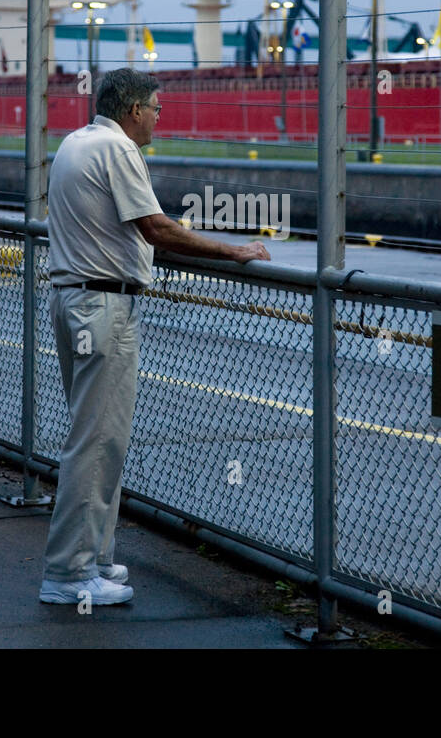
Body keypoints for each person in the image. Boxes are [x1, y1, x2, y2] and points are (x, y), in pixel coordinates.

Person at [38, 68, 271, 606]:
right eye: (156, 108)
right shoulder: (118, 151)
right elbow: (155, 227)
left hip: (76, 300)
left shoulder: (76, 142)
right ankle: (68, 575)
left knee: (96, 437)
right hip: (104, 307)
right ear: (133, 109)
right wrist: (233, 249)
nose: (160, 117)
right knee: (97, 441)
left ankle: (94, 558)